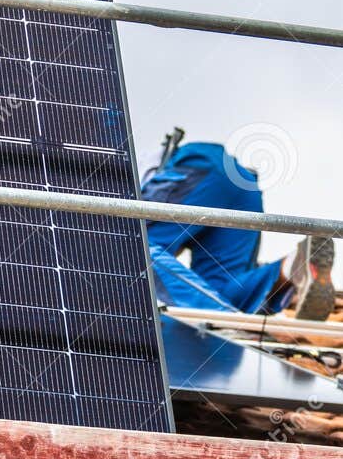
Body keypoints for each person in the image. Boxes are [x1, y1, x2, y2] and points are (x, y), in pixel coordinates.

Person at [142, 134, 336, 321]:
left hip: (199, 170)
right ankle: (291, 266)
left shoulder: (116, 189)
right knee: (221, 288)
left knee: (133, 250)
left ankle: (217, 318)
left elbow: (152, 254)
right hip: (240, 182)